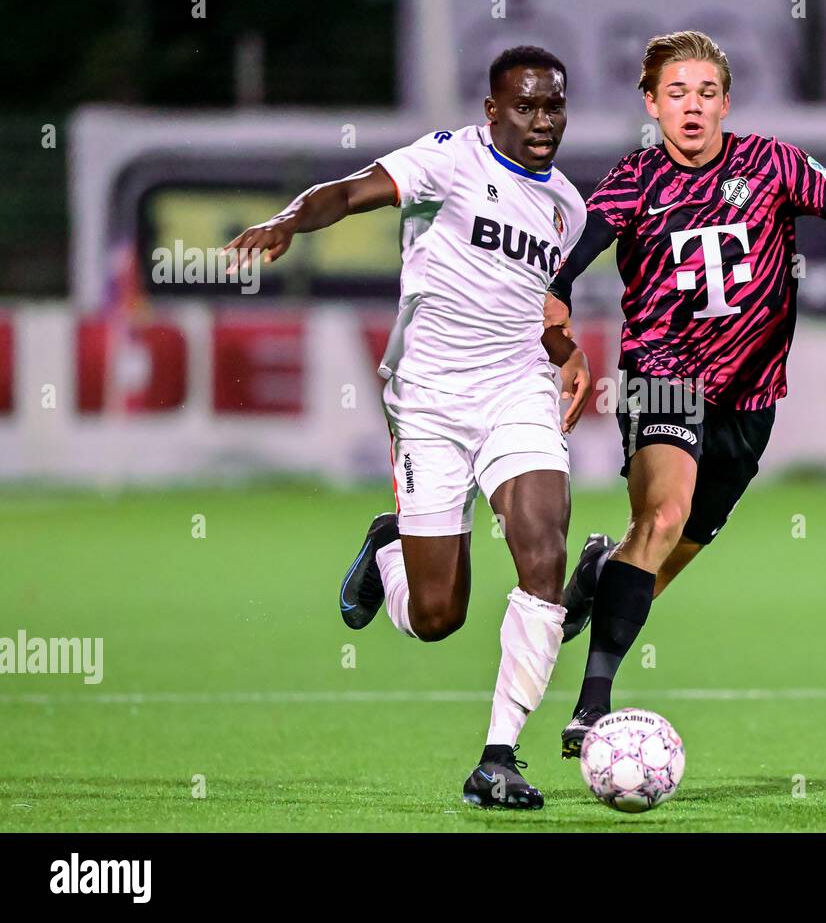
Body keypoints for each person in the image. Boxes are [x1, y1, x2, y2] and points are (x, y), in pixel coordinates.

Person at [543, 31, 826, 756]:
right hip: (662, 373)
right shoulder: (633, 180)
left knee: (673, 550)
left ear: (725, 102)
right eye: (676, 93)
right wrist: (559, 311)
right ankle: (590, 708)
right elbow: (569, 259)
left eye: (706, 93)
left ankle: (602, 571)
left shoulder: (771, 164)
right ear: (652, 103)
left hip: (751, 393)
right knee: (662, 514)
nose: (692, 106)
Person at [224, 46, 594, 807]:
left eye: (554, 105)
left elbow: (536, 303)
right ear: (492, 111)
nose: (542, 121)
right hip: (427, 399)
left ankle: (499, 756)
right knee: (435, 616)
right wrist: (290, 219)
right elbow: (350, 192)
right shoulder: (448, 159)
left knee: (544, 545)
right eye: (525, 106)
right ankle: (388, 543)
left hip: (516, 389)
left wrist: (569, 352)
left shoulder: (568, 205)